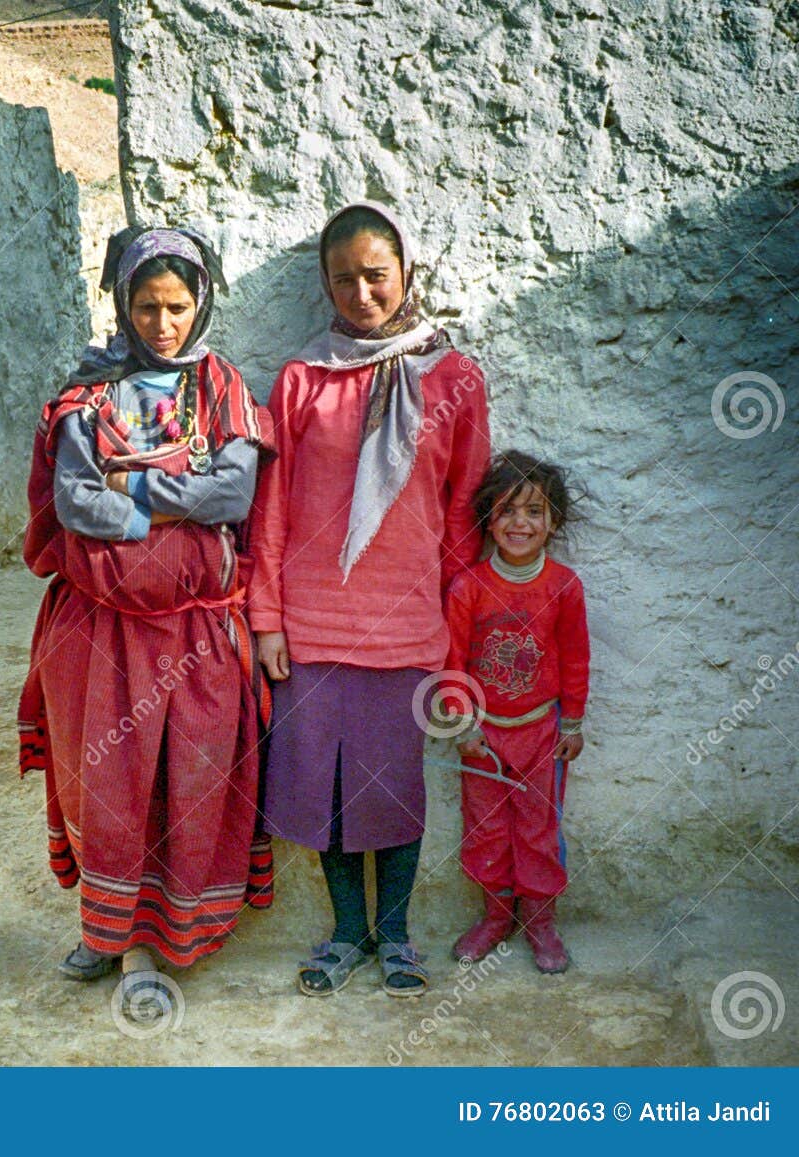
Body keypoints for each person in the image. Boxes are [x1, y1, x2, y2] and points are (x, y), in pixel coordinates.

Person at [18, 225, 274, 1003]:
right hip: (100, 630)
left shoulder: (221, 387)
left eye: (177, 305)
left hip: (197, 633)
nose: (163, 324)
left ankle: (155, 941)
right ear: (123, 305)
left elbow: (233, 494)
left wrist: (128, 489)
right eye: (146, 305)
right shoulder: (87, 395)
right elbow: (74, 503)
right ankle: (111, 935)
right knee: (108, 784)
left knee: (182, 783)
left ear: (199, 304)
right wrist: (170, 508)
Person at [251, 201, 491, 998]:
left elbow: (462, 512)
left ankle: (396, 935)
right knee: (321, 781)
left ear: (406, 273)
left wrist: (452, 620)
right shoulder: (301, 379)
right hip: (312, 622)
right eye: (344, 278)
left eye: (376, 275)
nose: (362, 293)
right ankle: (346, 931)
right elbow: (273, 504)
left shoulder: (452, 378)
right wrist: (267, 618)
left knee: (392, 784)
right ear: (325, 283)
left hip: (406, 621)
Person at [444, 451, 589, 973]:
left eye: (533, 511)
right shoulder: (468, 588)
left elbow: (575, 657)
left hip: (542, 734)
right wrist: (462, 727)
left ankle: (541, 923)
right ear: (488, 520)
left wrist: (571, 722)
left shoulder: (564, 587)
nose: (519, 523)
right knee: (485, 829)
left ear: (553, 521)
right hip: (482, 738)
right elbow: (452, 663)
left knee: (537, 829)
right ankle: (495, 918)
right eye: (506, 511)